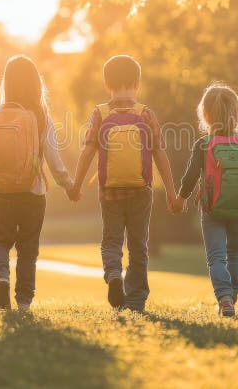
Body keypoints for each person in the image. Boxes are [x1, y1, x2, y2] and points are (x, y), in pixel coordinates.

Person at [68, 55, 177, 312]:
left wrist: (76, 186)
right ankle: (136, 299)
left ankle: (114, 274)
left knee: (112, 240)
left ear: (107, 85)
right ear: (137, 83)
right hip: (141, 191)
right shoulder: (145, 114)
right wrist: (171, 193)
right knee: (139, 245)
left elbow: (87, 153)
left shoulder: (100, 113)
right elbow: (160, 154)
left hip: (109, 191)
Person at [0, 54, 74, 311]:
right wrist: (69, 185)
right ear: (36, 84)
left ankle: (1, 277)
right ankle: (23, 302)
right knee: (28, 249)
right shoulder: (41, 117)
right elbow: (54, 162)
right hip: (32, 194)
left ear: (6, 83)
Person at [172, 83, 238, 317]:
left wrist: (180, 198)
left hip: (212, 210)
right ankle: (232, 296)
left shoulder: (203, 145)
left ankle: (225, 298)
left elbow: (189, 178)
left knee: (216, 256)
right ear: (237, 113)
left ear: (205, 115)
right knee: (235, 251)